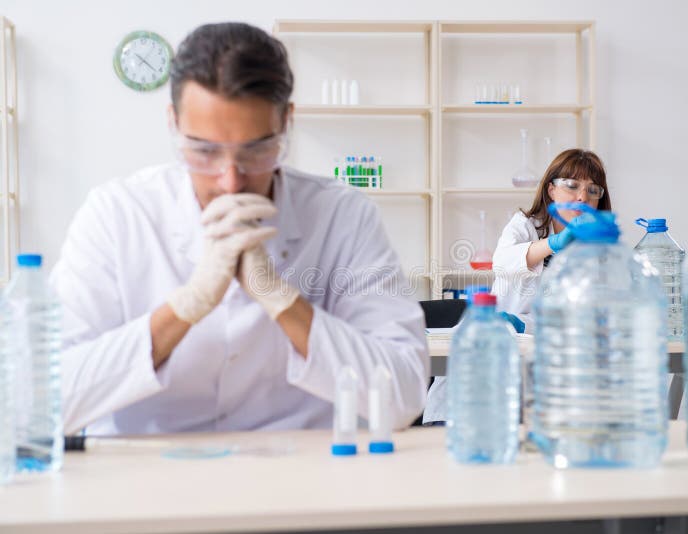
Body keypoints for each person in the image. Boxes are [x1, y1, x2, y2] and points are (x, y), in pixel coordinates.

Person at [51, 22, 429, 436]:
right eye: (204, 151)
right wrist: (184, 307)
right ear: (173, 123)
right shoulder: (116, 216)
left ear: (286, 122)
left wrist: (280, 298)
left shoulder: (342, 215)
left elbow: (403, 397)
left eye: (257, 150)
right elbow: (45, 403)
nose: (230, 180)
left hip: (303, 476)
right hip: (143, 479)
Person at [491, 149, 612, 333]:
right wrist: (553, 243)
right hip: (501, 337)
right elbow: (501, 262)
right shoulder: (525, 225)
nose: (583, 197)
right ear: (551, 190)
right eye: (572, 185)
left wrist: (525, 324)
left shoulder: (597, 247)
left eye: (592, 190)